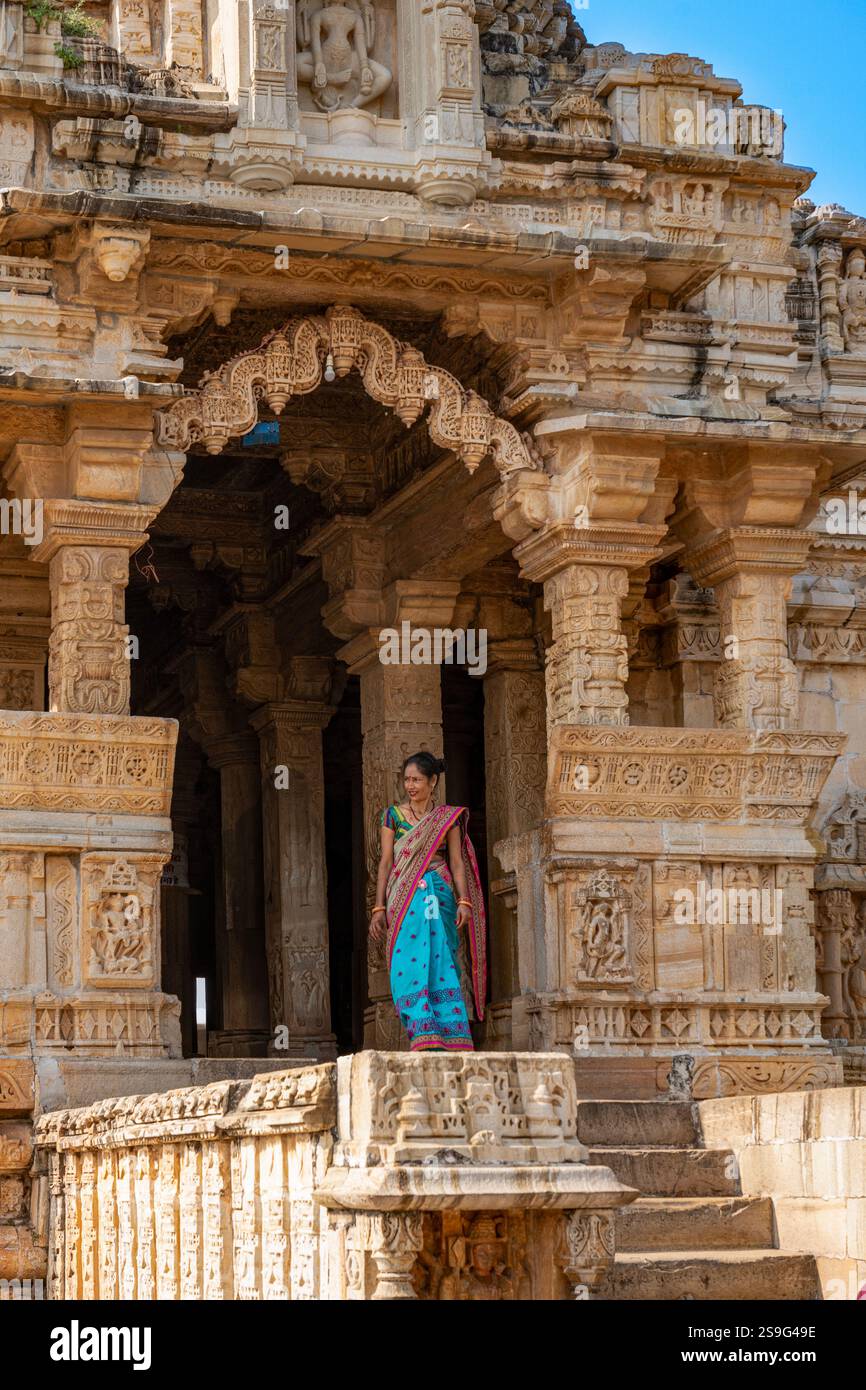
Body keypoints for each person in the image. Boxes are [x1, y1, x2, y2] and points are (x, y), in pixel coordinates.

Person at [369, 752, 486, 1051]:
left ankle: (451, 1032)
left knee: (442, 958)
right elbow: (385, 862)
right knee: (407, 961)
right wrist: (378, 907)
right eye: (407, 779)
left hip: (440, 890)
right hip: (404, 894)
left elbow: (457, 862)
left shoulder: (447, 819)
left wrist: (464, 901)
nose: (410, 785)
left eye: (417, 780)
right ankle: (422, 1031)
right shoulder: (392, 816)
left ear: (432, 781)